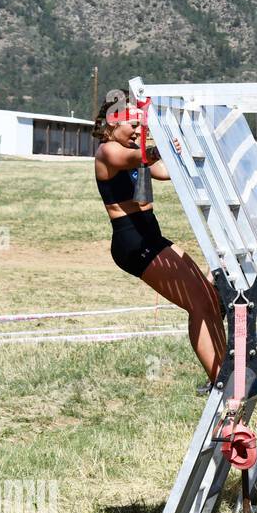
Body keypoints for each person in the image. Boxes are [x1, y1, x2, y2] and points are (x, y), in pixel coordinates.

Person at [93, 92, 225, 390]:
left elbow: (162, 171)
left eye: (142, 125)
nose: (139, 130)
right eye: (132, 124)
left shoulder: (131, 150)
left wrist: (179, 152)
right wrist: (157, 148)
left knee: (210, 300)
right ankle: (219, 381)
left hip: (151, 237)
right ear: (110, 126)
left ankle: (221, 372)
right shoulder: (107, 152)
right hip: (134, 242)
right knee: (200, 305)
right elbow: (139, 156)